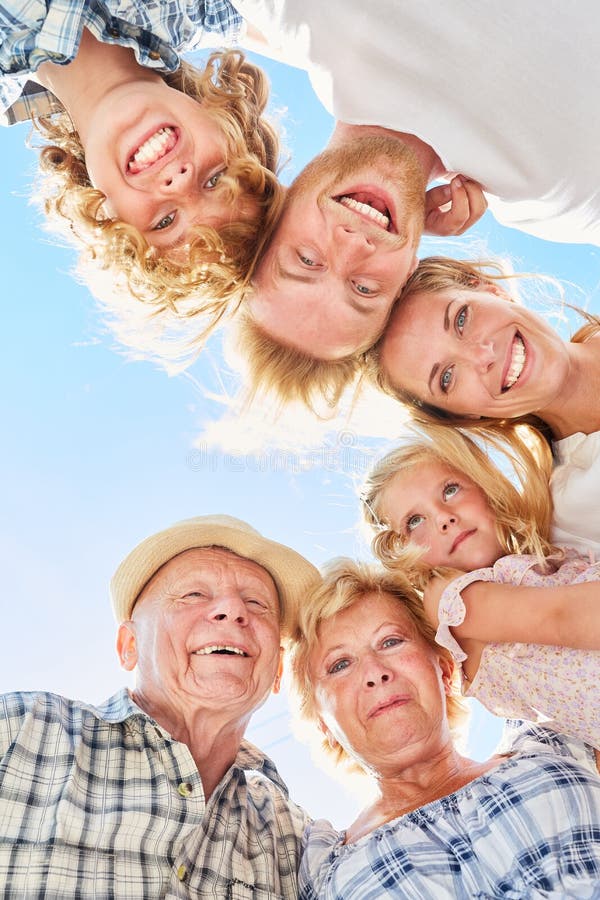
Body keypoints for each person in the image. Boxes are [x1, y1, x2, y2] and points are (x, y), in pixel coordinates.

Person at [0, 514, 320, 897]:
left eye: (256, 603)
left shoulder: (293, 838)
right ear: (129, 646)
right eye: (193, 595)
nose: (234, 611)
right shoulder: (21, 729)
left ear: (278, 670)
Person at [288, 559, 600, 898]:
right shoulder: (321, 868)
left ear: (445, 669)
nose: (375, 672)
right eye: (340, 664)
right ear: (323, 724)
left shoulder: (554, 740)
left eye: (391, 641)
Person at [0, 4, 282, 357]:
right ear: (228, 123)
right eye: (215, 180)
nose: (179, 184)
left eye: (165, 222)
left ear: (106, 219)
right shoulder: (198, 11)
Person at [361, 423, 600, 753]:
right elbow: (561, 617)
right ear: (402, 552)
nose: (444, 518)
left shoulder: (544, 555)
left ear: (483, 486)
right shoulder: (448, 598)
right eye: (415, 522)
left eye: (449, 490)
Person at [231, 130, 486, 412]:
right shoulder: (533, 192)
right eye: (363, 288)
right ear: (407, 274)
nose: (354, 244)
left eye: (306, 259)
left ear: (278, 206)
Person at [374, 256, 600, 557]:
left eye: (461, 319)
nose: (483, 356)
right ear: (464, 415)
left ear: (490, 289)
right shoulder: (575, 519)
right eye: (447, 377)